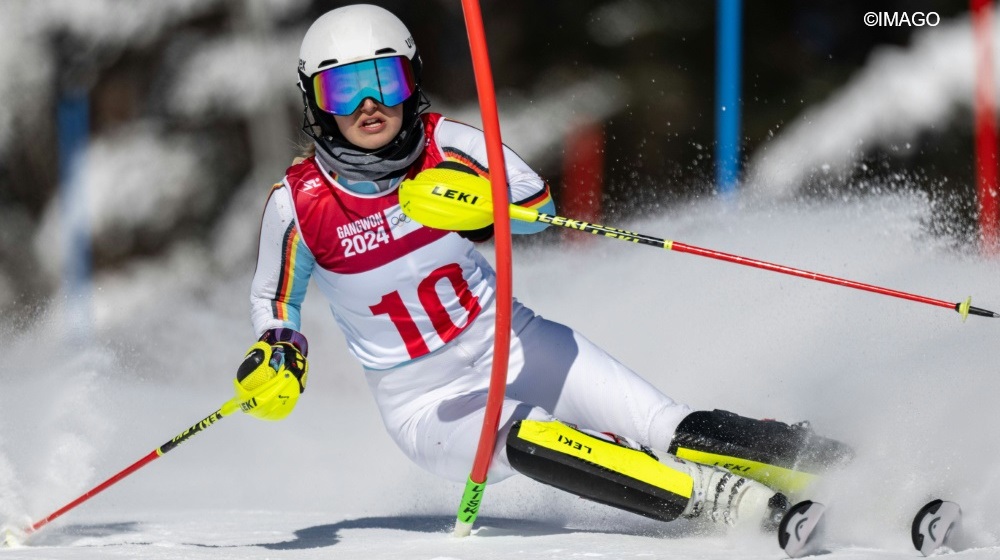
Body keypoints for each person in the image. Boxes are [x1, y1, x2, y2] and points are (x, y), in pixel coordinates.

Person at [234, 3, 851, 531]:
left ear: (411, 80)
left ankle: (849, 466)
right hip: (424, 401)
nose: (370, 105)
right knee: (526, 438)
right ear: (316, 102)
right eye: (344, 89)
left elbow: (539, 209)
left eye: (385, 81)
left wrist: (482, 206)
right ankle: (724, 503)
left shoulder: (449, 144)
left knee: (668, 424)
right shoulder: (298, 203)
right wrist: (280, 353)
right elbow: (276, 301)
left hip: (516, 341)